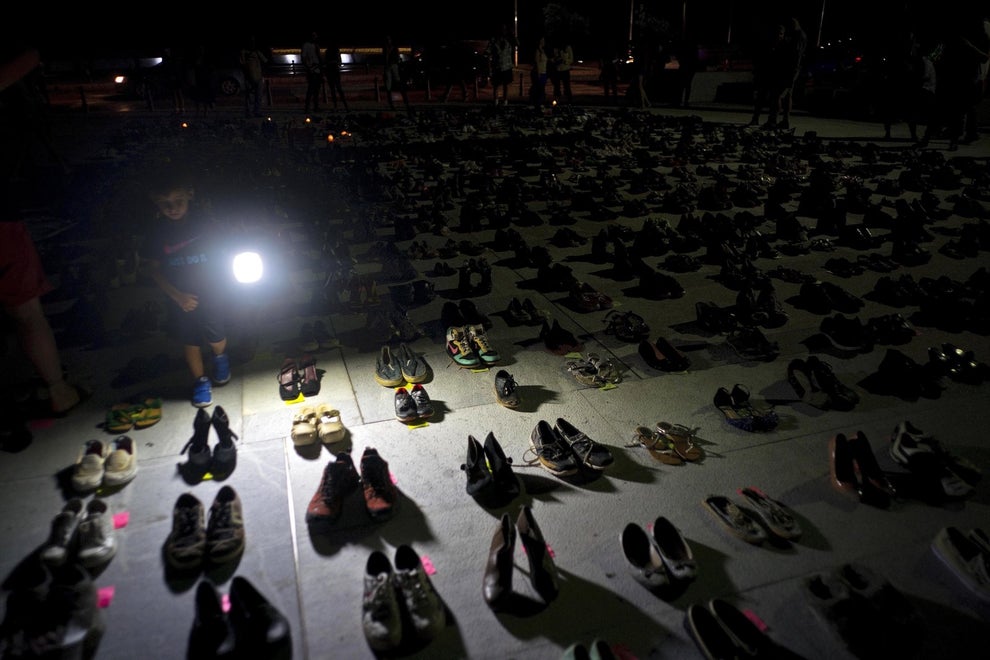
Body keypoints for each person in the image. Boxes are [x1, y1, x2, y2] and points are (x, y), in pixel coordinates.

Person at [139, 166, 232, 408]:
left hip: (211, 291)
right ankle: (200, 381)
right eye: (165, 203)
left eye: (178, 200)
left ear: (189, 194)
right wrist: (177, 296)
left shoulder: (205, 222)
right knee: (189, 339)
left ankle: (220, 358)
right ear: (155, 203)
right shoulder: (155, 233)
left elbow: (223, 251)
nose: (173, 208)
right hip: (180, 295)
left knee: (216, 334)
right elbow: (153, 269)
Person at [486, 24, 517, 106]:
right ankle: (496, 101)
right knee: (496, 85)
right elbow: (488, 52)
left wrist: (513, 35)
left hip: (507, 66)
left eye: (505, 30)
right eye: (502, 30)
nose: (503, 31)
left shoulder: (509, 40)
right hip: (497, 66)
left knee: (505, 85)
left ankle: (505, 101)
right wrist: (489, 67)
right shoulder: (494, 40)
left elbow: (517, 44)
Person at [239, 35, 269, 118]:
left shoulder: (257, 52)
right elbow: (242, 64)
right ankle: (249, 113)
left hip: (258, 77)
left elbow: (265, 61)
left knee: (258, 96)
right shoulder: (244, 52)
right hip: (249, 77)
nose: (252, 43)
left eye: (253, 41)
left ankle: (257, 112)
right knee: (250, 97)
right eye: (251, 41)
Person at [383, 35, 410, 111]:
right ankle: (398, 102)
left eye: (389, 39)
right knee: (391, 84)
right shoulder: (388, 48)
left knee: (394, 83)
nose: (388, 41)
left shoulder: (391, 48)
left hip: (392, 66)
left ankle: (402, 102)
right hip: (390, 66)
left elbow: (394, 57)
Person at [673, 33, 701, 108]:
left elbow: (679, 56)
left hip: (685, 67)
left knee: (682, 84)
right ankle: (685, 100)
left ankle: (680, 99)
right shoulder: (693, 48)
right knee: (687, 84)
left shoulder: (685, 48)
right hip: (690, 67)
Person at [323, 35, 349, 111]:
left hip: (330, 71)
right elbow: (339, 61)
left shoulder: (327, 51)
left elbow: (326, 62)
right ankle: (345, 106)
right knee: (339, 89)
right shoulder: (336, 50)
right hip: (335, 71)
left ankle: (336, 106)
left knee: (333, 90)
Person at [301, 31, 323, 113]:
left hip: (317, 68)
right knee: (311, 89)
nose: (315, 38)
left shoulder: (316, 46)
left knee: (316, 89)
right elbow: (303, 58)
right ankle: (307, 107)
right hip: (312, 68)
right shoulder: (306, 45)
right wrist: (308, 67)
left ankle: (315, 107)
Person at [550, 38, 574, 104]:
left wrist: (564, 61)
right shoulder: (555, 48)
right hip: (557, 70)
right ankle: (557, 100)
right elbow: (552, 58)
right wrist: (555, 61)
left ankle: (569, 101)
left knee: (567, 86)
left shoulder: (568, 47)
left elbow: (571, 59)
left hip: (565, 70)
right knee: (557, 87)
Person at [530, 36, 549, 109]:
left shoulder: (543, 51)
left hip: (544, 72)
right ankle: (536, 103)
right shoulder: (538, 51)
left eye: (544, 40)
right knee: (538, 88)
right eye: (542, 40)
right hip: (539, 72)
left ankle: (540, 103)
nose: (543, 42)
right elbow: (537, 62)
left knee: (542, 89)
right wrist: (538, 72)